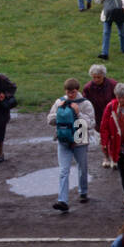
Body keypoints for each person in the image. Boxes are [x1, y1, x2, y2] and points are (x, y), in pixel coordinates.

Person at [46, 78, 95, 214]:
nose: (70, 95)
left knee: (82, 168)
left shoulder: (85, 104)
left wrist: (78, 113)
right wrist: (59, 112)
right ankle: (63, 201)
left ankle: (83, 192)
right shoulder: (59, 101)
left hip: (80, 140)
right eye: (68, 92)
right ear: (65, 91)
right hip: (64, 140)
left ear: (77, 90)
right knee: (63, 171)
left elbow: (91, 123)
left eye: (73, 92)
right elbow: (49, 120)